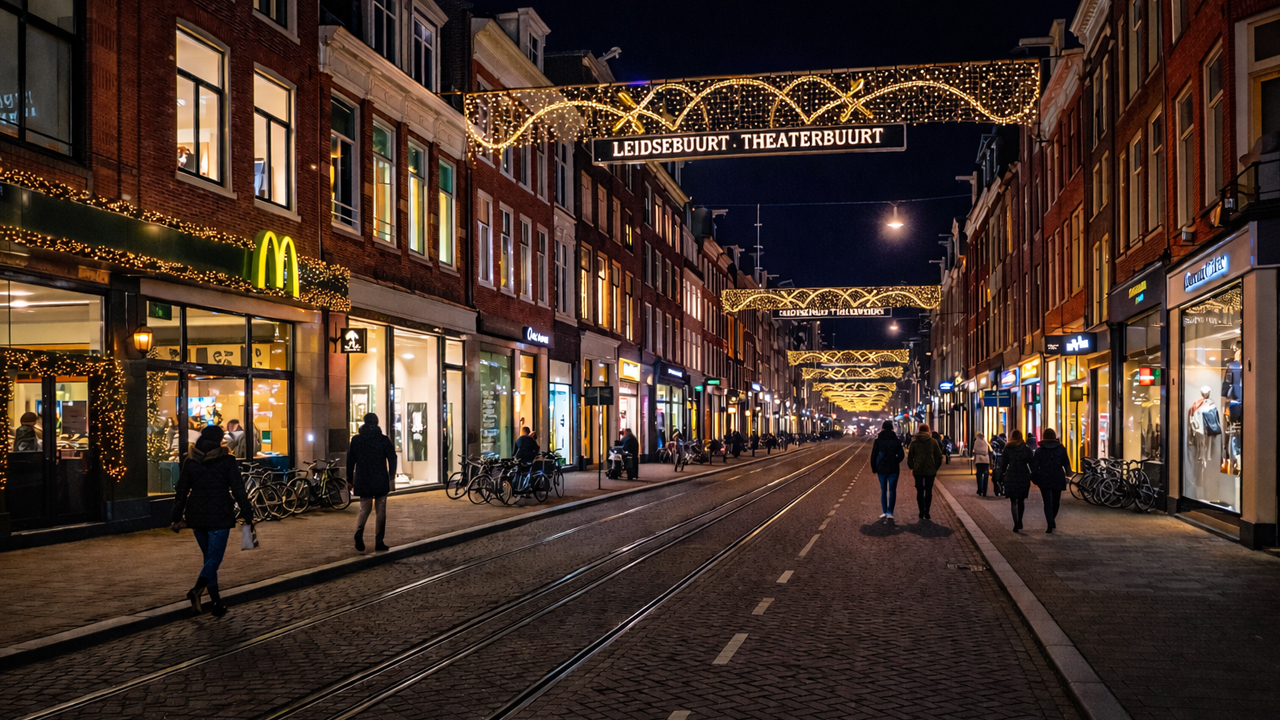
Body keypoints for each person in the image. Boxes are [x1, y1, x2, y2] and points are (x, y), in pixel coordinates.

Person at [170, 425, 253, 617]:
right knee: (214, 559)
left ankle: (216, 603)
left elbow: (181, 491)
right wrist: (247, 513)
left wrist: (176, 518)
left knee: (209, 558)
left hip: (196, 516)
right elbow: (238, 489)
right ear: (218, 440)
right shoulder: (227, 460)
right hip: (220, 515)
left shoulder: (190, 461)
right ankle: (197, 590)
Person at [347, 413, 396, 552]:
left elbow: (350, 460)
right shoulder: (383, 440)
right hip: (380, 477)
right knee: (380, 510)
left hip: (363, 478)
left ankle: (359, 531)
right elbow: (392, 457)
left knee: (364, 509)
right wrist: (391, 475)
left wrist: (349, 479)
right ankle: (379, 541)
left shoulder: (357, 440)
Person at [1033, 428, 1072, 533]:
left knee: (1047, 502)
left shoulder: (1039, 451)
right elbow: (1066, 463)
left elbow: (1035, 466)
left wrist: (1034, 478)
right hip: (1057, 476)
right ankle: (1052, 519)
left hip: (1044, 477)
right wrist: (1069, 473)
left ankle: (1050, 522)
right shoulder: (1061, 449)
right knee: (1056, 501)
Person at [999, 429, 1035, 533]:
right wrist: (1034, 474)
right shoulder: (1026, 449)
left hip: (1011, 476)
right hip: (1023, 475)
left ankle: (1015, 523)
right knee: (1021, 500)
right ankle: (1020, 520)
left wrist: (1000, 475)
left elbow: (1003, 465)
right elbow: (1031, 463)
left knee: (1013, 501)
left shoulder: (1008, 448)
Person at [906, 423, 943, 520]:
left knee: (919, 491)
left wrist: (912, 466)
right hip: (930, 470)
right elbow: (939, 456)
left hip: (918, 470)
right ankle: (927, 512)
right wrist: (935, 468)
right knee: (929, 491)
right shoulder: (933, 442)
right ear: (928, 431)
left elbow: (910, 456)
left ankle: (921, 511)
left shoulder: (914, 442)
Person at [870, 421, 905, 520]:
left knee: (883, 490)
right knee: (892, 490)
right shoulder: (896, 441)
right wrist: (895, 460)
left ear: (883, 428)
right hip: (893, 468)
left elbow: (873, 456)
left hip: (881, 468)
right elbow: (902, 455)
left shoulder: (878, 441)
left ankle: (884, 511)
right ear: (892, 428)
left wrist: (874, 467)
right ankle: (890, 512)